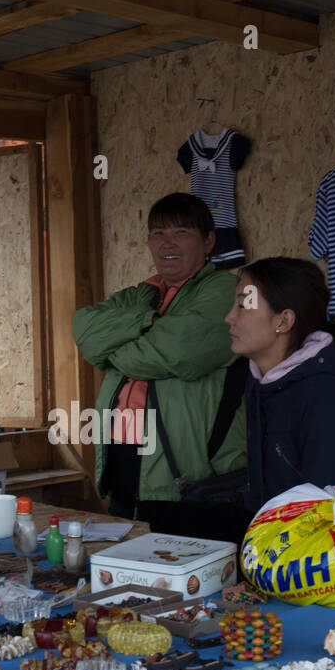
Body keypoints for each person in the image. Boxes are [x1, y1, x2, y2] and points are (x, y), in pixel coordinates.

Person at [73, 192, 247, 541]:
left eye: (181, 232)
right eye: (158, 234)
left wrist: (115, 350)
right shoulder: (144, 294)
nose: (167, 243)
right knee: (132, 578)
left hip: (192, 472)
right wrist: (153, 320)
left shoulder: (226, 289)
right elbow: (85, 328)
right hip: (123, 457)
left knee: (193, 579)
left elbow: (181, 350)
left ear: (209, 241)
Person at [226, 256, 335, 515]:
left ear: (283, 321)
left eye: (243, 304)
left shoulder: (331, 399)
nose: (229, 317)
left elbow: (331, 515)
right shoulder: (262, 383)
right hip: (286, 545)